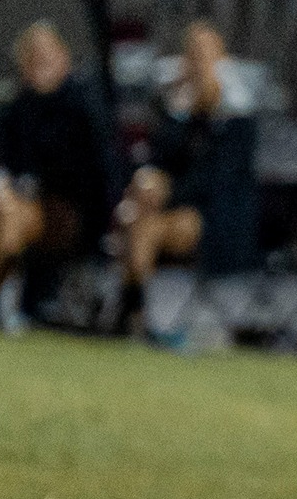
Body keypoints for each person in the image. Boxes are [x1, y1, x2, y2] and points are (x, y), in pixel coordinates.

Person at [0, 22, 121, 327]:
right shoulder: (19, 107)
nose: (40, 65)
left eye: (47, 56)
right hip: (19, 198)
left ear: (64, 58)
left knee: (8, 215)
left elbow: (96, 173)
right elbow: (9, 165)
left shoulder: (82, 103)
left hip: (64, 212)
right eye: (33, 59)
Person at [110, 21, 263, 336]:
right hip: (160, 209)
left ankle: (127, 314)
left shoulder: (236, 114)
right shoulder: (177, 107)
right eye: (192, 56)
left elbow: (218, 181)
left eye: (206, 56)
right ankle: (134, 315)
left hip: (216, 217)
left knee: (140, 221)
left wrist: (166, 192)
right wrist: (180, 111)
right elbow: (156, 158)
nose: (198, 65)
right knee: (141, 220)